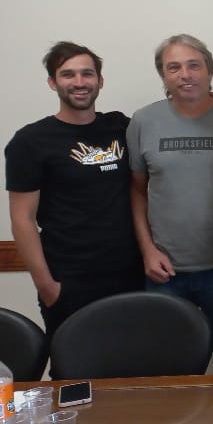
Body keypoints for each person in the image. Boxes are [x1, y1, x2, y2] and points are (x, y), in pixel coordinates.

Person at [126, 34, 213, 373]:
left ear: (210, 71)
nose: (185, 74)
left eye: (194, 65)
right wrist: (147, 250)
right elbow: (137, 191)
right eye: (174, 67)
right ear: (163, 76)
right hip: (165, 269)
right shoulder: (143, 121)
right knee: (169, 366)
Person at [5, 42, 142, 343]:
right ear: (52, 82)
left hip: (132, 276)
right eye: (68, 74)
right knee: (75, 368)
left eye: (87, 74)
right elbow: (22, 220)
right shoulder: (30, 142)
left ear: (100, 81)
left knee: (135, 363)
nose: (79, 82)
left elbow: (171, 117)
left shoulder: (121, 127)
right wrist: (47, 286)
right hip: (70, 281)